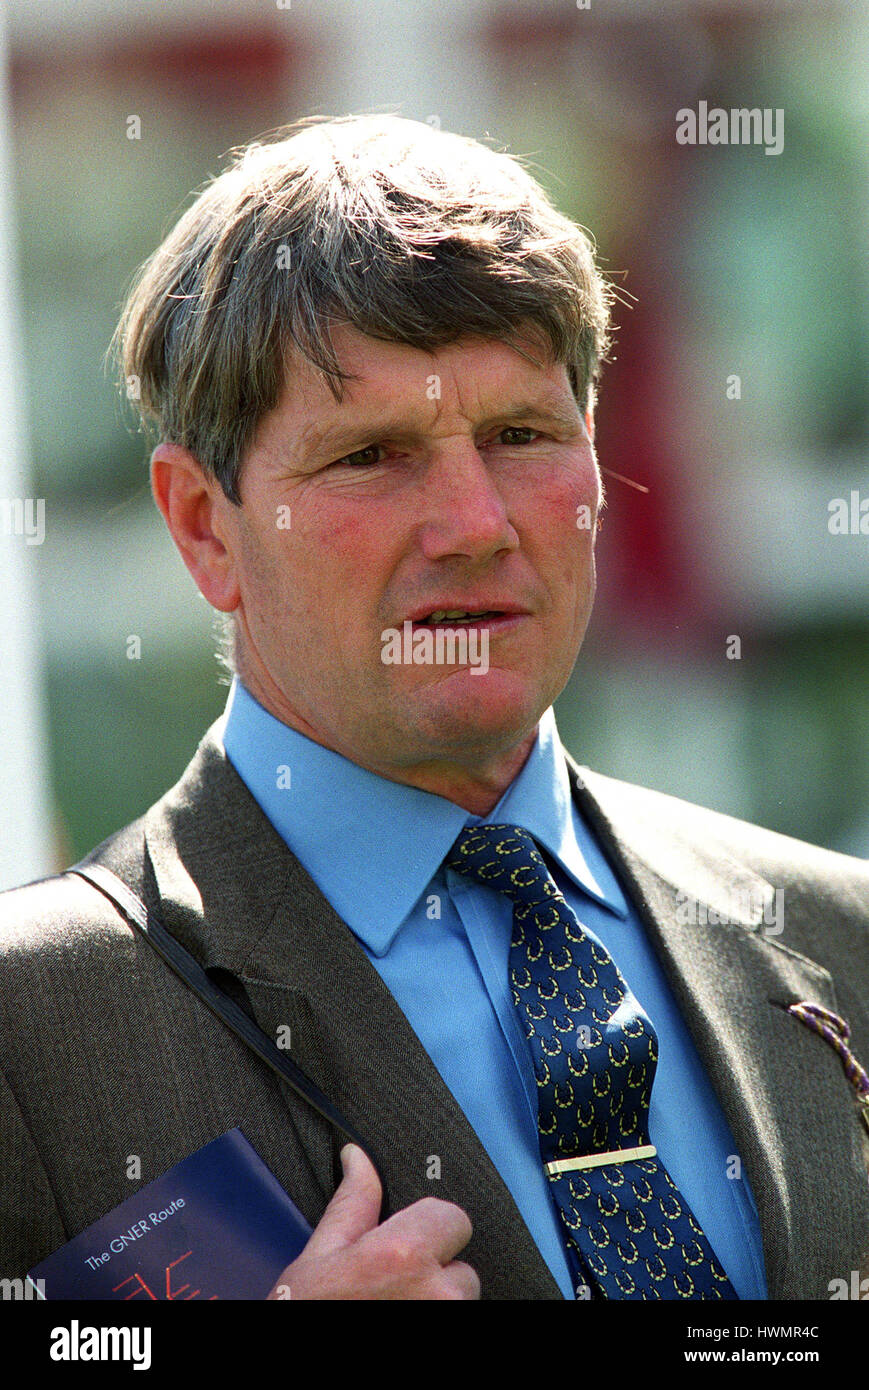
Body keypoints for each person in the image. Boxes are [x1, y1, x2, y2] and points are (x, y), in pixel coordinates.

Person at [1, 115, 867, 1302]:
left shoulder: (840, 937)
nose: (474, 523)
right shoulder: (35, 1026)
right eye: (370, 455)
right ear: (207, 525)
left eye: (519, 435)